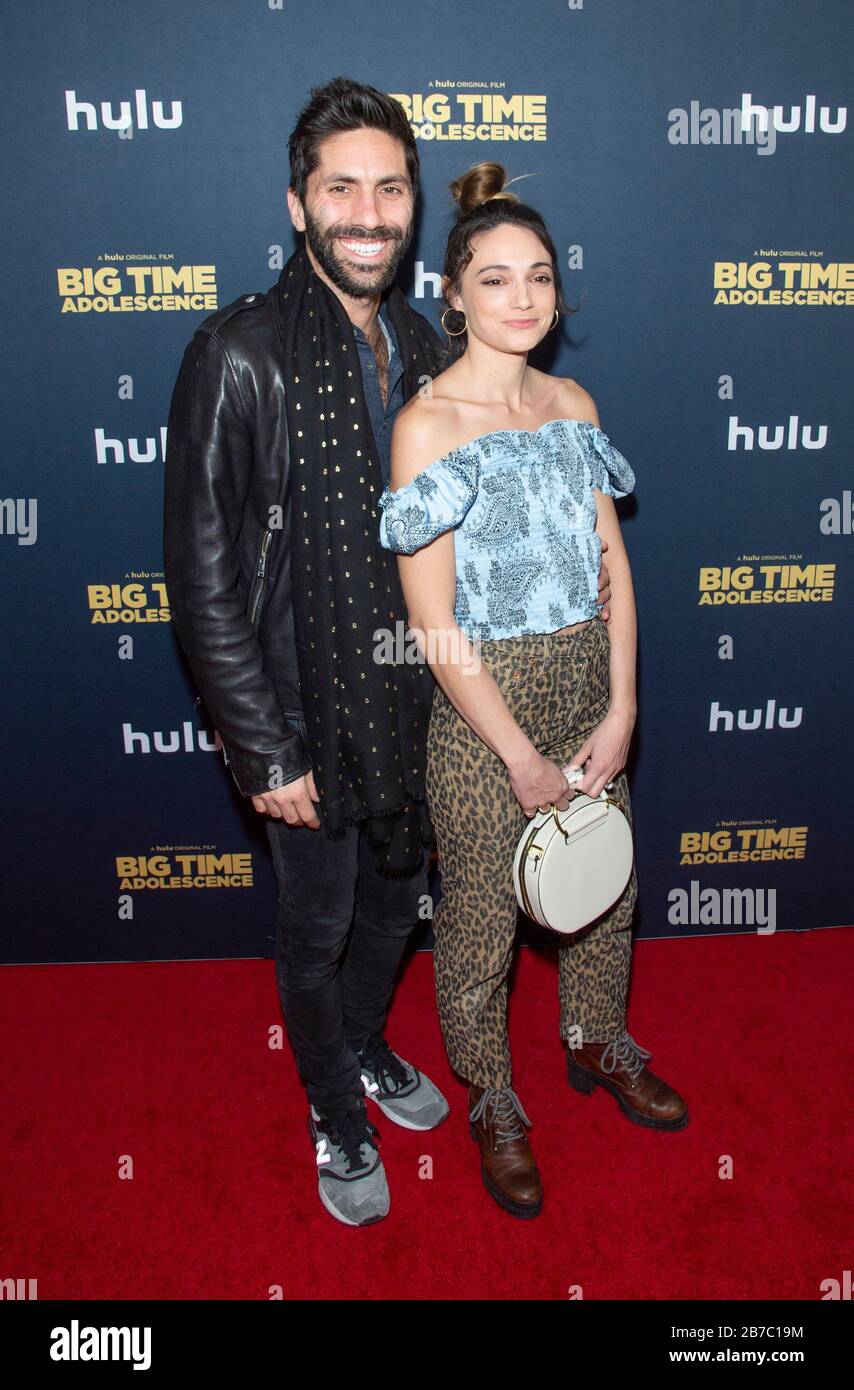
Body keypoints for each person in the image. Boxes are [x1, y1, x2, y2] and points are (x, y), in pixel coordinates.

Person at [378, 161, 688, 1221]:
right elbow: (432, 625)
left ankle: (596, 1037)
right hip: (484, 708)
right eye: (494, 278)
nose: (521, 297)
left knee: (603, 883)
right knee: (479, 921)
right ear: (451, 293)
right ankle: (493, 1101)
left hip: (584, 678)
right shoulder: (427, 426)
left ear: (560, 292)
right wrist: (513, 752)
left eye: (539, 277)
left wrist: (622, 707)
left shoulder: (572, 403)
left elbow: (613, 565)